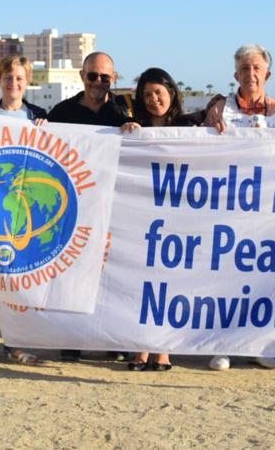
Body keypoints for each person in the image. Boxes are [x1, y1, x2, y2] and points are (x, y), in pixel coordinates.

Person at [203, 45, 275, 371]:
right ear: (236, 75)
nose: (251, 74)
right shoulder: (220, 109)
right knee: (225, 278)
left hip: (270, 210)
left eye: (257, 68)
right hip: (229, 208)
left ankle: (257, 344)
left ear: (267, 74)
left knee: (264, 278)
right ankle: (222, 345)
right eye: (244, 69)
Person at [47, 51, 131, 361]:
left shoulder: (123, 112)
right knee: (73, 277)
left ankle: (112, 341)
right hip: (74, 208)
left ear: (114, 78)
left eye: (105, 77)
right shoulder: (61, 111)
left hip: (115, 207)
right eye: (92, 75)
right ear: (82, 76)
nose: (98, 82)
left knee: (113, 278)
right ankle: (71, 340)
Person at [120, 67, 200, 371]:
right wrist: (128, 132)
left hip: (178, 218)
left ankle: (163, 348)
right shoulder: (131, 128)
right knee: (142, 284)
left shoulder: (189, 126)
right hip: (142, 218)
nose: (154, 100)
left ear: (171, 93)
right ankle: (140, 347)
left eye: (159, 93)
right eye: (147, 94)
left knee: (171, 283)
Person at [0, 56, 46, 365]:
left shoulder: (39, 116)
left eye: (19, 78)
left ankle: (17, 343)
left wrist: (48, 131)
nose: (13, 83)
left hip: (24, 206)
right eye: (7, 77)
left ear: (27, 81)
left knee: (21, 278)